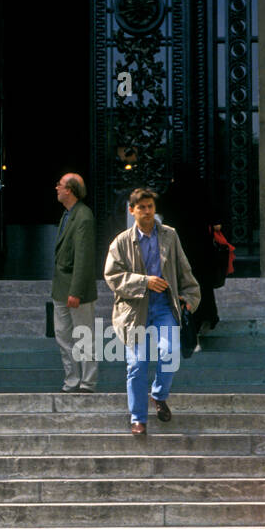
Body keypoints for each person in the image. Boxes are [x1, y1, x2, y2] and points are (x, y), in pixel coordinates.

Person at [103, 187, 201, 435]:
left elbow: (184, 269)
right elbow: (112, 276)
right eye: (141, 208)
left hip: (164, 305)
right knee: (137, 364)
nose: (147, 212)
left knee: (170, 352)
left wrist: (189, 298)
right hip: (135, 310)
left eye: (150, 207)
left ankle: (159, 395)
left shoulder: (169, 236)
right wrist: (144, 281)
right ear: (131, 210)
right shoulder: (122, 241)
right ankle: (138, 418)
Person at [159, 162, 221, 333]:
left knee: (183, 283)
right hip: (201, 246)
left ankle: (186, 321)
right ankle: (206, 318)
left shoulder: (173, 191)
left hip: (180, 245)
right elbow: (215, 219)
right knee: (201, 283)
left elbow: (164, 213)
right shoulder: (201, 189)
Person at [51, 173, 98, 393]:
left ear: (69, 190)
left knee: (83, 335)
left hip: (76, 289)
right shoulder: (67, 215)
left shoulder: (83, 216)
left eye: (60, 185)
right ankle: (71, 380)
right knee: (63, 336)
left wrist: (76, 290)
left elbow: (84, 256)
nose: (56, 188)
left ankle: (87, 381)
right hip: (60, 288)